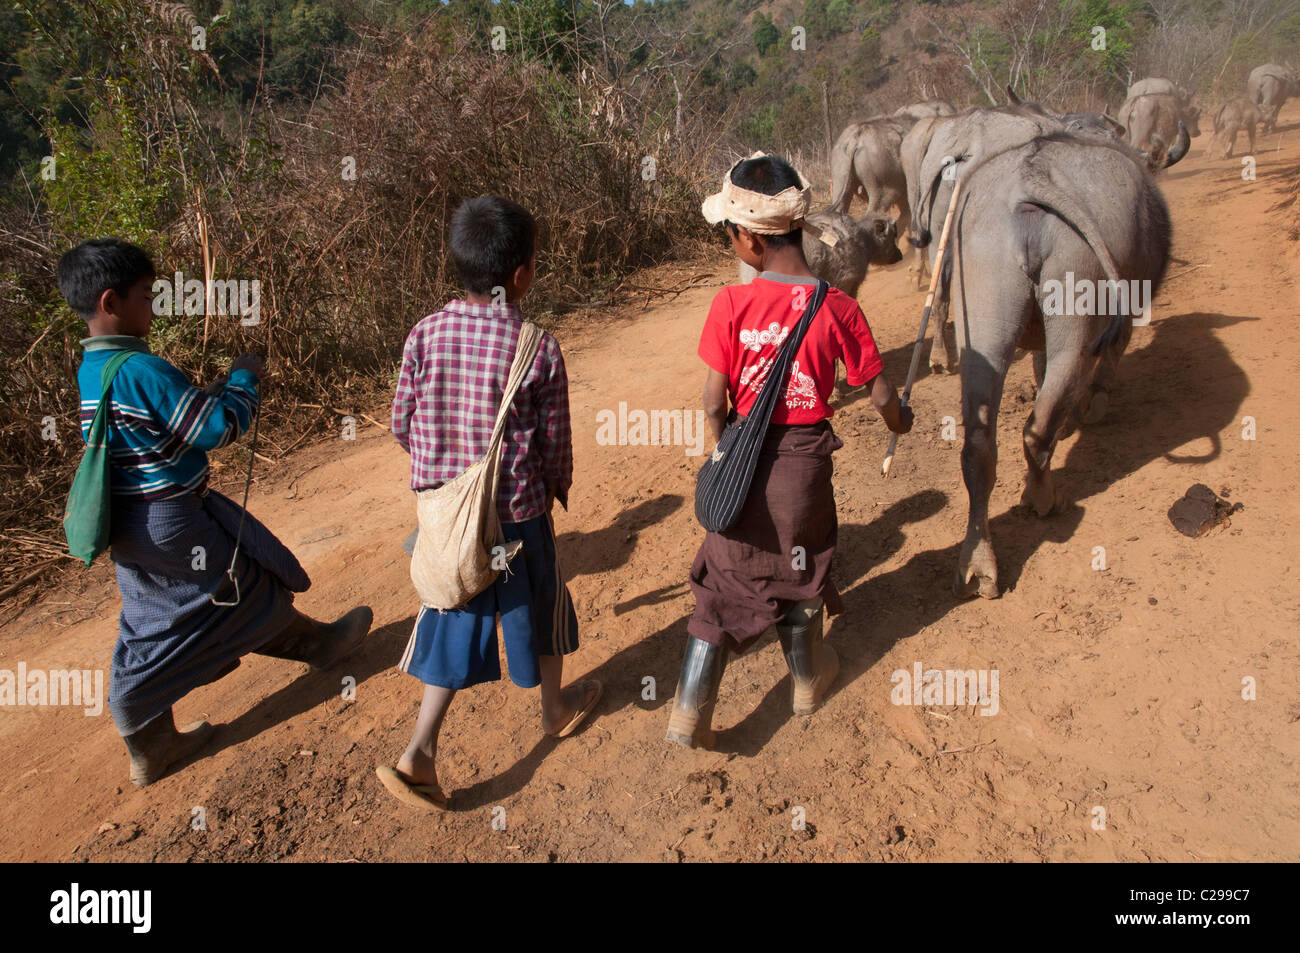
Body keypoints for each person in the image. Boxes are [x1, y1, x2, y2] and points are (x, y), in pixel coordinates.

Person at [58, 237, 373, 786]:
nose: (155, 305)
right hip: (172, 519)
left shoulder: (94, 371)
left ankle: (151, 743)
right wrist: (243, 379)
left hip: (132, 527)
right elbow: (216, 429)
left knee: (152, 620)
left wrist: (206, 394)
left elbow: (154, 433)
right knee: (240, 585)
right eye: (147, 295)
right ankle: (320, 646)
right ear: (112, 302)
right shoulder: (142, 369)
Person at [665, 153, 914, 748]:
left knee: (721, 583)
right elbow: (878, 389)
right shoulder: (839, 307)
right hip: (804, 469)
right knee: (801, 572)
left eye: (729, 234)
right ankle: (807, 682)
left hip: (742, 459)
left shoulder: (731, 304)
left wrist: (723, 450)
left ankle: (688, 713)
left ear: (748, 240)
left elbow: (711, 401)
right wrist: (899, 421)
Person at [378, 195, 600, 811]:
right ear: (522, 274)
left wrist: (441, 474)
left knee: (458, 612)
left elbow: (402, 422)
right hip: (521, 515)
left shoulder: (423, 334)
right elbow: (554, 440)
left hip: (450, 517)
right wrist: (558, 484)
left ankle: (419, 751)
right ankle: (554, 708)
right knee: (544, 604)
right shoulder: (537, 347)